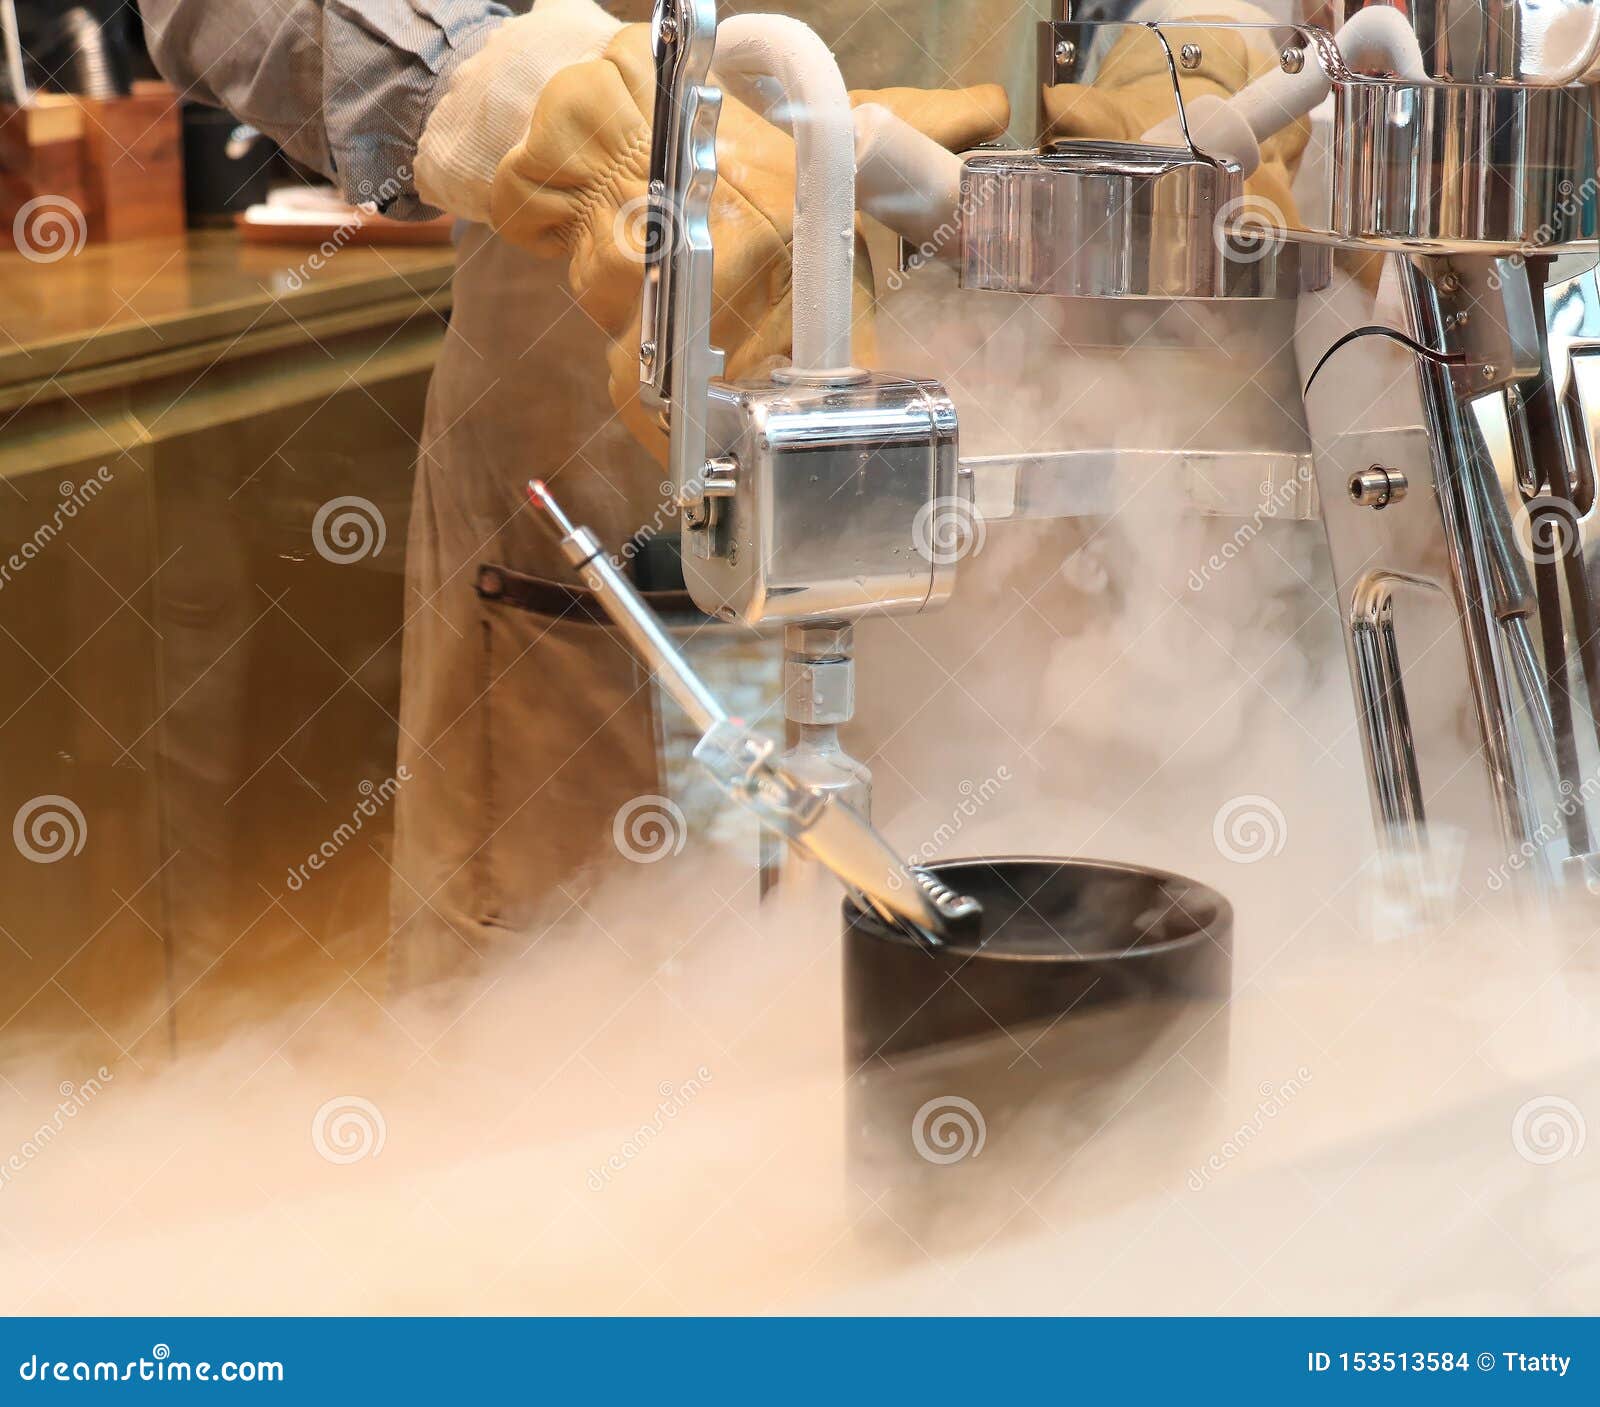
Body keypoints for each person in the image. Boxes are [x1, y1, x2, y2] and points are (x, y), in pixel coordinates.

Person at [136, 0, 1301, 991]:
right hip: (610, 389)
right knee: (589, 1119)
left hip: (1002, 403)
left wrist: (1198, 48)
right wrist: (549, 113)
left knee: (1007, 1074)